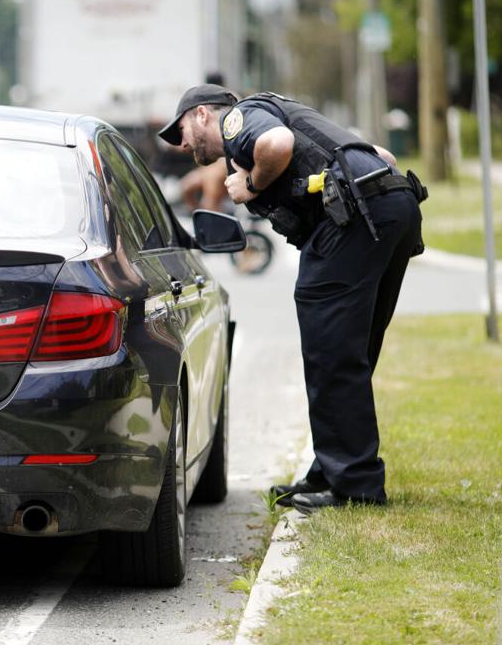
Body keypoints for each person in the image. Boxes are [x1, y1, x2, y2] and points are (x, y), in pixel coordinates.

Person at [157, 84, 425, 511]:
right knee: (350, 353)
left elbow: (276, 145)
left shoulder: (237, 122)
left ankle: (354, 486)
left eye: (182, 129)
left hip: (353, 220)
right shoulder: (288, 110)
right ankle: (331, 470)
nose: (182, 143)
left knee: (331, 353)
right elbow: (382, 155)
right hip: (395, 205)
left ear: (204, 114)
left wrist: (251, 183)